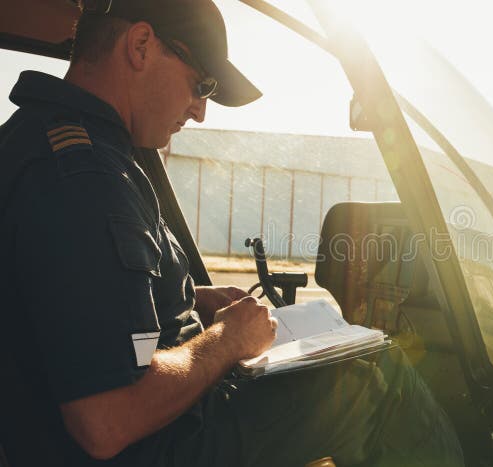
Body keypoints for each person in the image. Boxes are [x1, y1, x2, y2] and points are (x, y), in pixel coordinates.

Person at [0, 1, 464, 466]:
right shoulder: (83, 178)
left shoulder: (52, 143)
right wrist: (226, 340)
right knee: (378, 380)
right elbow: (105, 419)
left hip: (140, 434)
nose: (200, 111)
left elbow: (77, 302)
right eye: (201, 85)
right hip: (157, 445)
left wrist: (191, 297)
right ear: (140, 46)